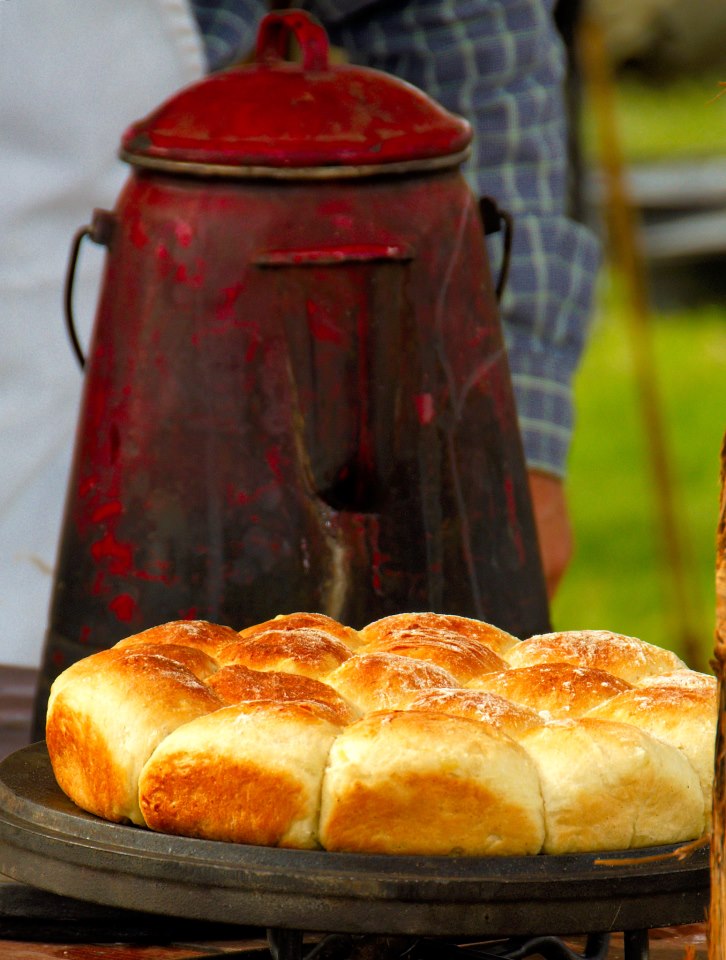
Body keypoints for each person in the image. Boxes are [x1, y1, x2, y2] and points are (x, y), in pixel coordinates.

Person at [0, 0, 598, 672]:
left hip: (226, 432)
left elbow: (462, 22)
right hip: (94, 484)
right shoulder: (167, 198)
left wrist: (519, 434)